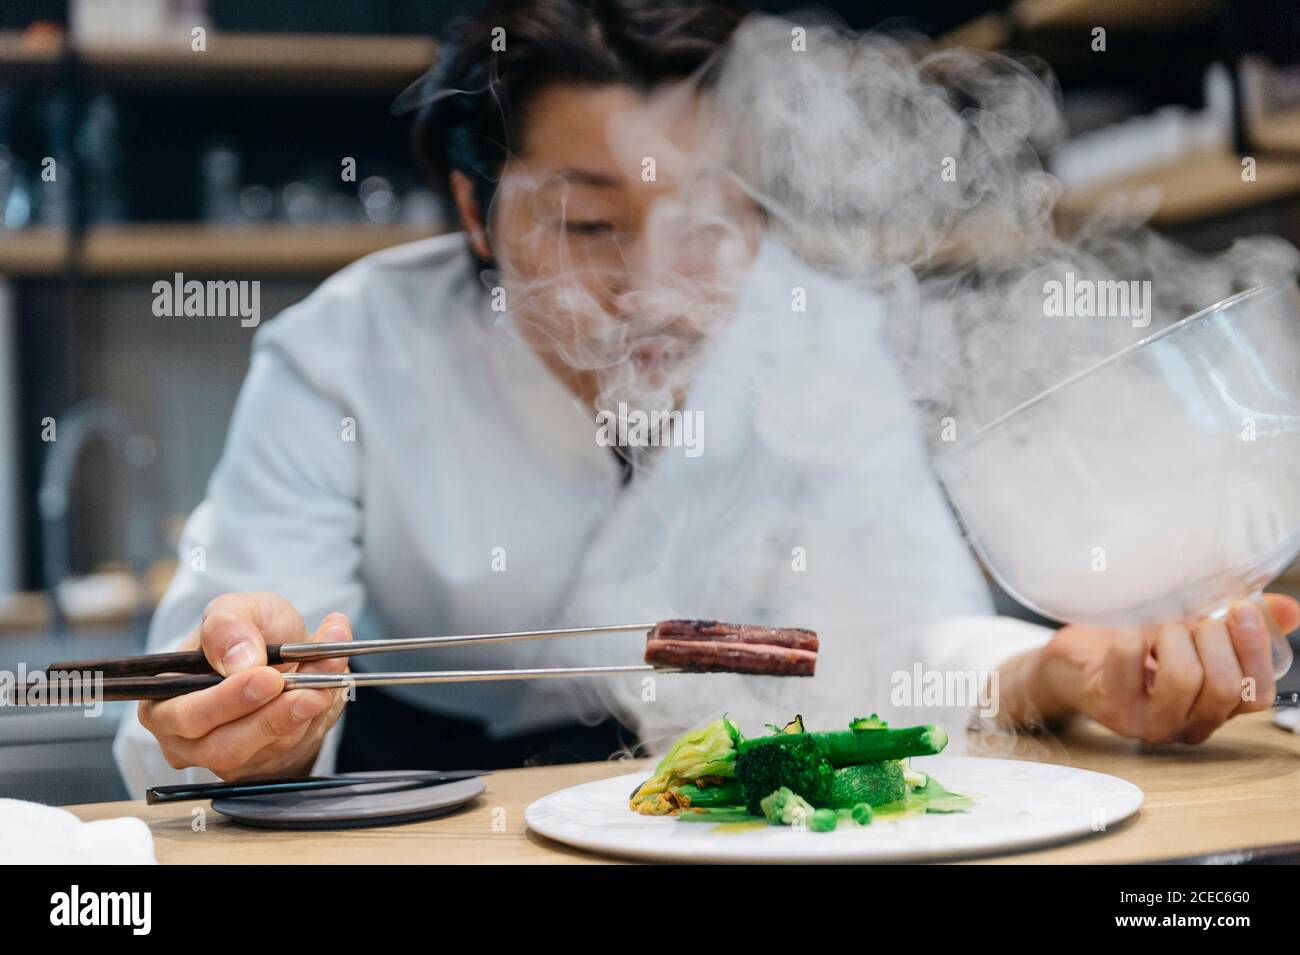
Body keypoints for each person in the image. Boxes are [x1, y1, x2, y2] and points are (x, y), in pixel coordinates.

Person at [114, 0, 1297, 796]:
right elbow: (199, 676)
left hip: (706, 802)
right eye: (586, 224)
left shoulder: (812, 331)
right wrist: (233, 718)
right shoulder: (344, 352)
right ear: (478, 210)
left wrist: (1063, 671)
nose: (655, 289)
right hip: (416, 794)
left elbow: (907, 638)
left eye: (709, 220)